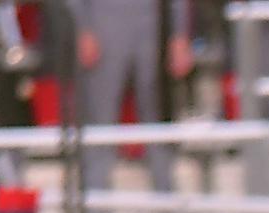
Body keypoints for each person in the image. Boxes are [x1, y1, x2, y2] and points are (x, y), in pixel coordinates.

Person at [75, 0, 193, 193]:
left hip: (154, 28)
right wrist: (83, 29)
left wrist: (179, 35)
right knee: (100, 117)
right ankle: (96, 202)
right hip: (102, 27)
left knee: (158, 115)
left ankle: (166, 198)